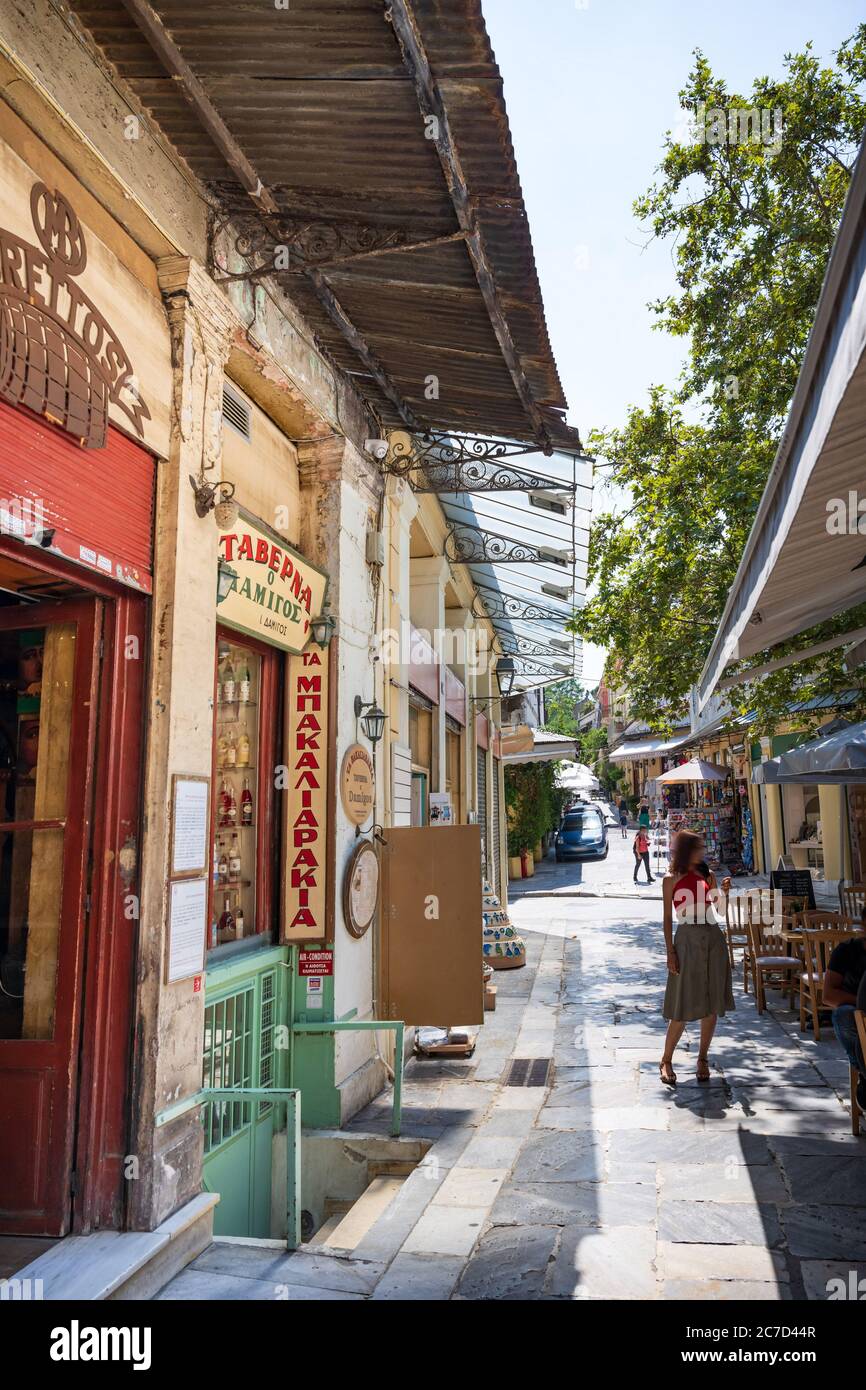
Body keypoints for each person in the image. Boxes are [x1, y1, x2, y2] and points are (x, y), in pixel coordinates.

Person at [659, 829, 734, 1086]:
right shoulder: (670, 879)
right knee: (681, 1005)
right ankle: (666, 1059)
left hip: (713, 939)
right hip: (686, 941)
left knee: (711, 1005)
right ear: (687, 850)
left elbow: (720, 911)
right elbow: (666, 919)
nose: (703, 851)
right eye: (698, 847)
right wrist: (670, 951)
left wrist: (724, 893)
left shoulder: (708, 875)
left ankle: (702, 1058)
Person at [822, 910, 866, 1111]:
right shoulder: (847, 950)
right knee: (844, 1015)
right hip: (856, 1013)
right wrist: (861, 1002)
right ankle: (863, 1072)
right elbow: (828, 996)